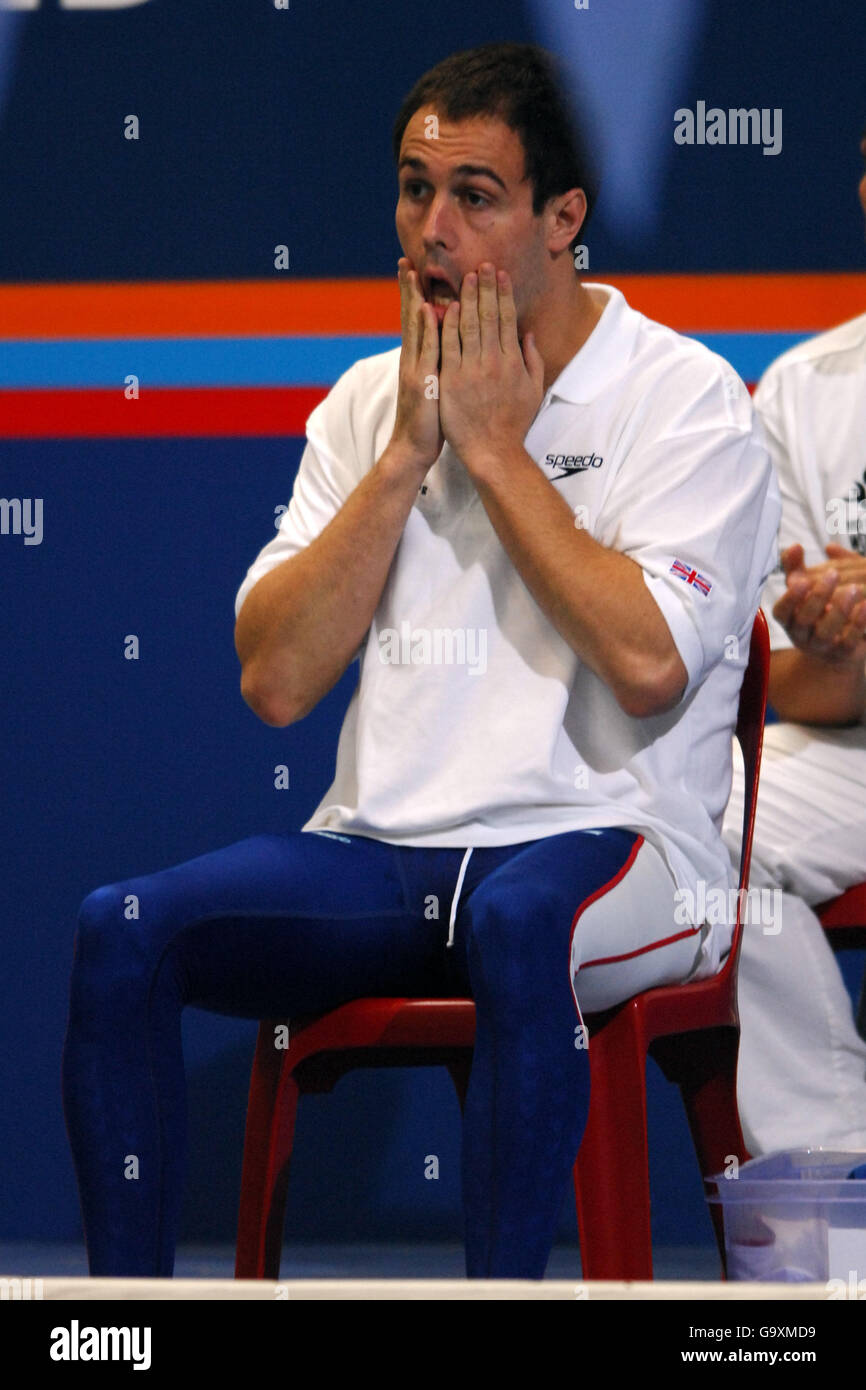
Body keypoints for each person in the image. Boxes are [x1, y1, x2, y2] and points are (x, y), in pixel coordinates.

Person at [62, 41, 779, 1280]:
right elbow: (276, 682)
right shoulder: (360, 404)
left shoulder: (685, 399)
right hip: (383, 857)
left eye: (475, 196)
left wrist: (496, 454)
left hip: (616, 852)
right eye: (411, 188)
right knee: (120, 928)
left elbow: (648, 665)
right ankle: (123, 1324)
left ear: (565, 219)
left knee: (515, 922)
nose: (430, 230)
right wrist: (406, 455)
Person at [722, 123, 866, 1157]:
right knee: (697, 823)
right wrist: (833, 644)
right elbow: (778, 686)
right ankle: (837, 1194)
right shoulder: (804, 392)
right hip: (850, 753)